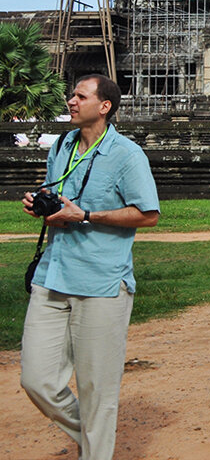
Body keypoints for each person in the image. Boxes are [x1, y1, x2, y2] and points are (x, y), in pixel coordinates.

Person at [20, 74, 160, 460]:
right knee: (36, 380)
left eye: (80, 96)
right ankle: (93, 436)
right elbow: (57, 194)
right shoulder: (63, 145)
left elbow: (148, 215)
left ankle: (96, 450)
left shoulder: (127, 155)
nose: (71, 101)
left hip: (101, 281)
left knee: (98, 388)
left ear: (104, 106)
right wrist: (42, 204)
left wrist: (86, 215)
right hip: (53, 274)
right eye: (71, 95)